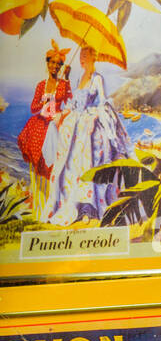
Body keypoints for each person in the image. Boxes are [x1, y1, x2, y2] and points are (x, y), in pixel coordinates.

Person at [42, 47, 134, 227]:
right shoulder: (79, 78)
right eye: (81, 56)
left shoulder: (97, 78)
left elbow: (102, 103)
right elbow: (74, 103)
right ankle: (71, 205)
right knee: (67, 162)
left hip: (90, 122)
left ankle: (88, 209)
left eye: (86, 56)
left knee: (87, 157)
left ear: (93, 57)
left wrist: (93, 118)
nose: (82, 59)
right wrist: (63, 113)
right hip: (76, 121)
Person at [18, 40, 71, 211]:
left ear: (61, 66)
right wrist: (43, 101)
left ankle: (54, 206)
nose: (55, 66)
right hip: (39, 127)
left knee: (56, 165)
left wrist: (68, 78)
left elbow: (68, 100)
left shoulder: (62, 84)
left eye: (59, 64)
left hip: (55, 127)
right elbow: (33, 108)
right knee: (38, 164)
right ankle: (39, 206)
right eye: (52, 62)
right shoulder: (41, 85)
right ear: (47, 63)